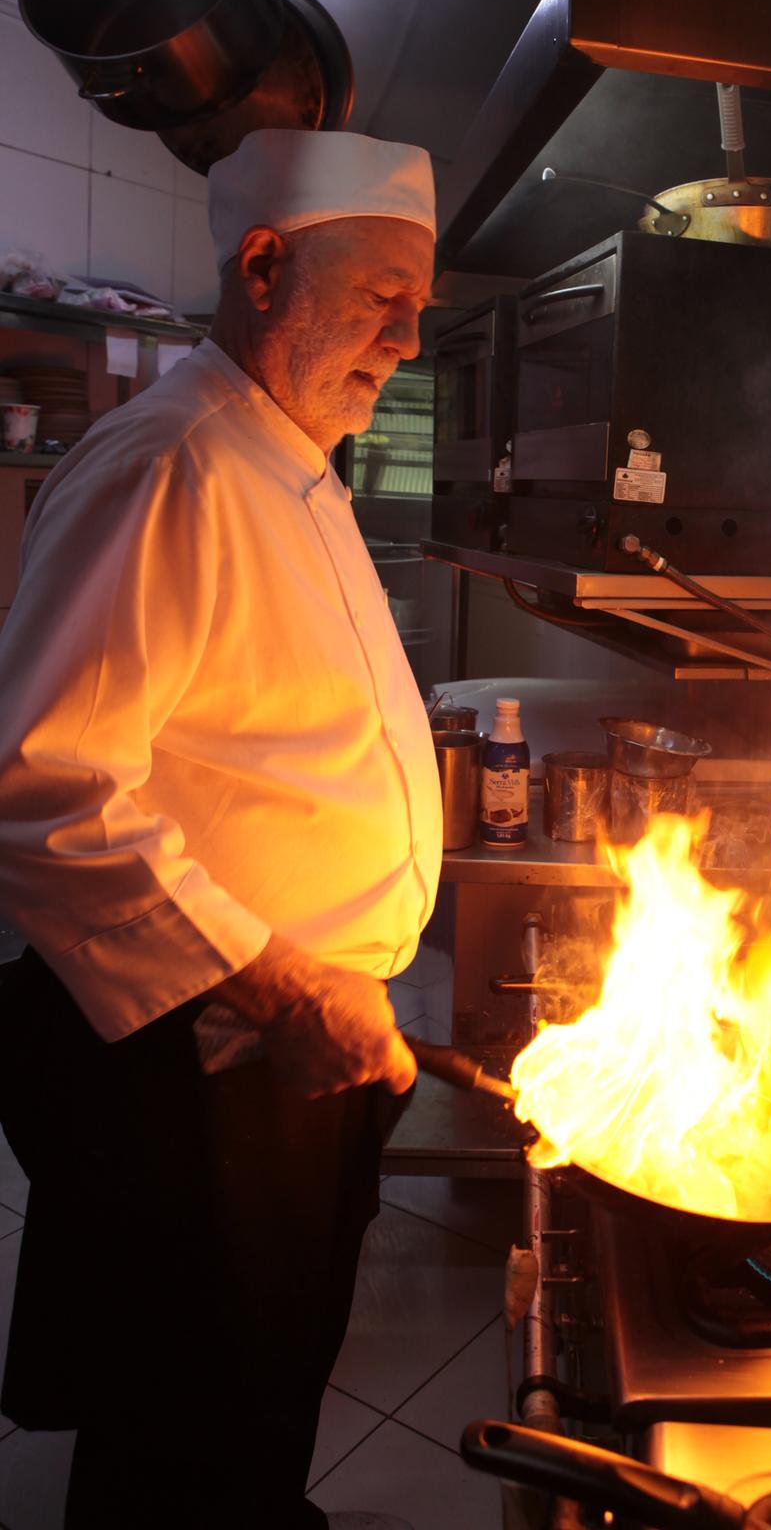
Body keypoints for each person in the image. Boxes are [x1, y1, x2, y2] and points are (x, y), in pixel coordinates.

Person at [0, 128, 443, 1529]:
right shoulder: (174, 462)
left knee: (255, 1388)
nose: (409, 336)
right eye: (381, 293)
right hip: (211, 1064)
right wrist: (282, 977)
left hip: (293, 1057)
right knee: (185, 1426)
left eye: (414, 306)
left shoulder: (288, 461)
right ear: (266, 267)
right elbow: (37, 784)